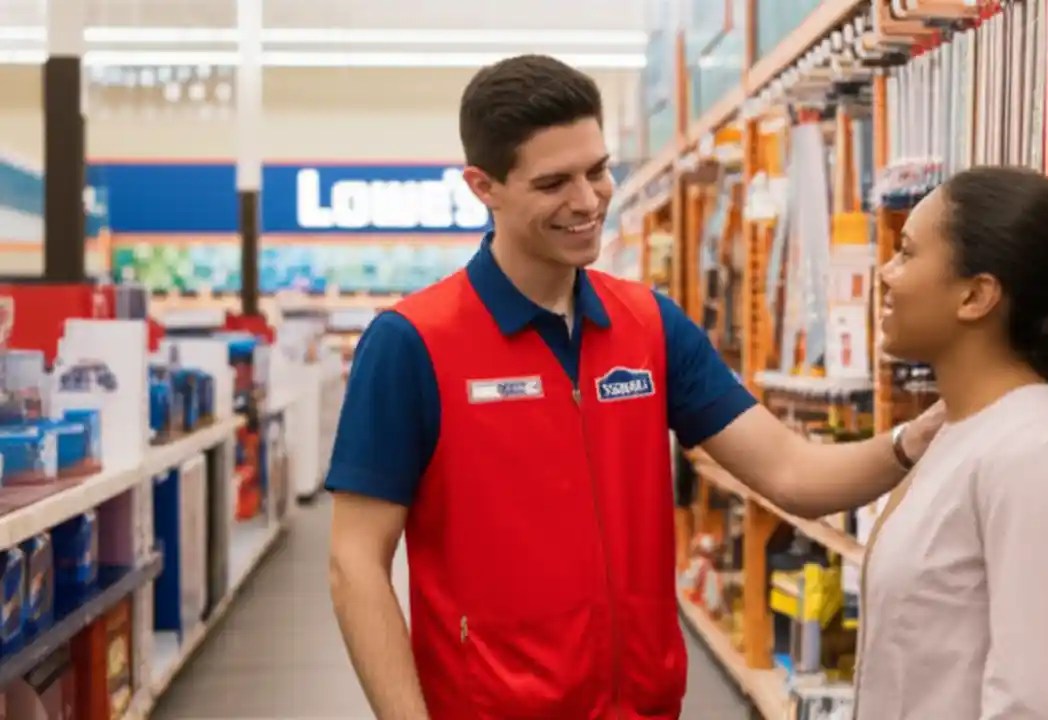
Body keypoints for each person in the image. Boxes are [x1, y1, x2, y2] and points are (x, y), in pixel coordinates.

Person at [324, 53, 944, 720]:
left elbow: (792, 474)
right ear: (483, 185)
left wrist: (920, 435)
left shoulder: (648, 325)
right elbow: (355, 562)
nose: (588, 202)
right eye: (554, 182)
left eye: (597, 171)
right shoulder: (413, 342)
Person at [854, 165, 1048, 719]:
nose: (885, 272)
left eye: (906, 252)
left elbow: (1035, 703)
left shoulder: (1038, 455)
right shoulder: (964, 432)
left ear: (977, 295)